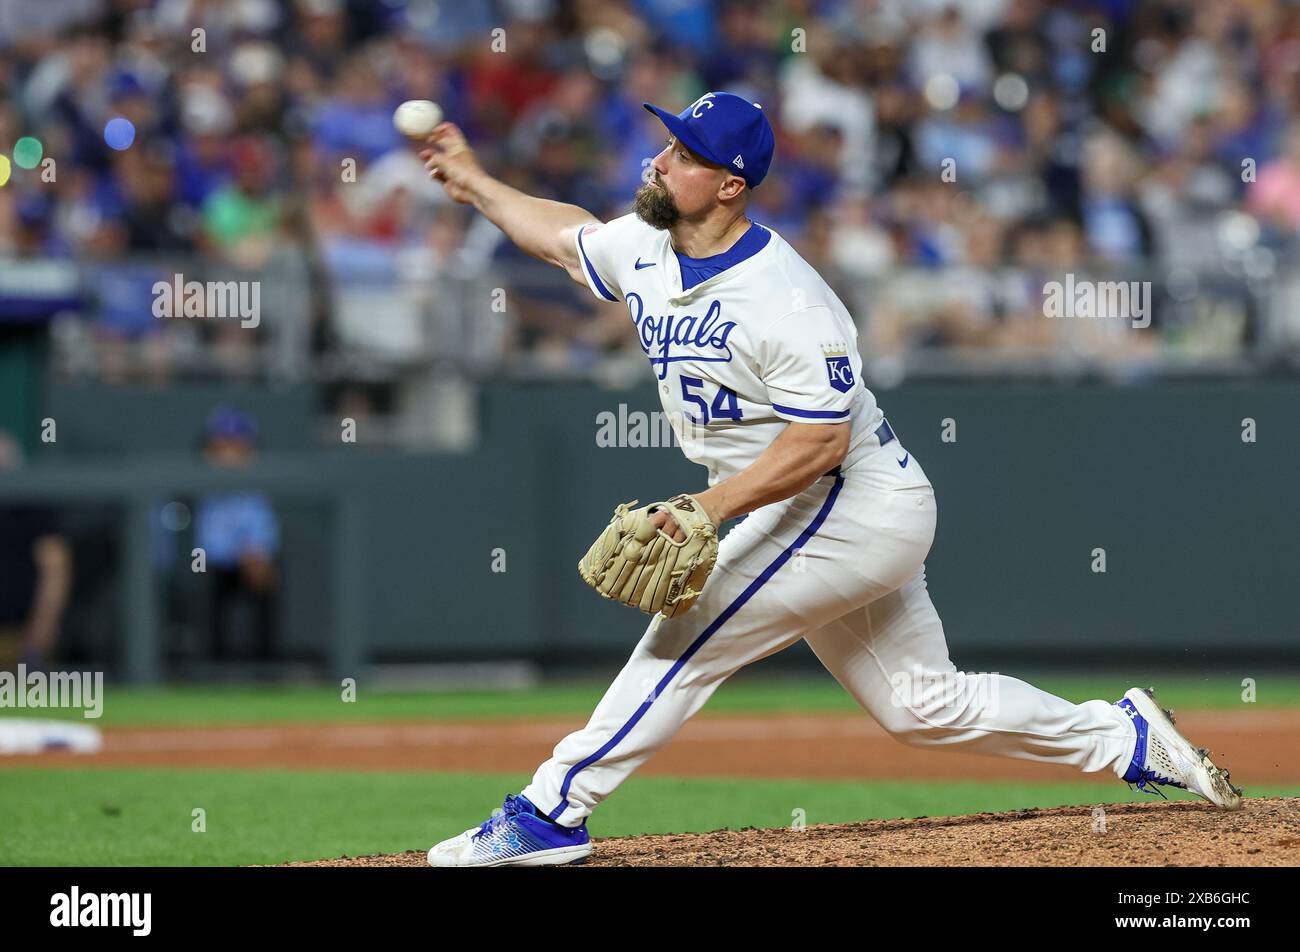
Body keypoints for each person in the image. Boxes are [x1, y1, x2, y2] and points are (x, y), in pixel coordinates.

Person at [420, 92, 1242, 867]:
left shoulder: (788, 299)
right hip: (817, 505)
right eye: (669, 142)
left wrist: (704, 508)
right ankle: (1124, 737)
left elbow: (820, 442)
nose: (662, 161)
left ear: (731, 185)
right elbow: (565, 237)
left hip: (851, 501)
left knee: (686, 637)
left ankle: (548, 813)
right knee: (921, 705)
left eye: (686, 154)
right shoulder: (644, 243)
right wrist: (476, 183)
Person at [194, 406, 280, 662]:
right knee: (205, 576)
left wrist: (253, 554)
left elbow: (265, 536)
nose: (230, 455)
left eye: (238, 447)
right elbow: (200, 541)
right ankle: (210, 665)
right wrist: (235, 552)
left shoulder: (255, 495)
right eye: (223, 446)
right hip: (207, 567)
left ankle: (265, 665)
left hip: (248, 567)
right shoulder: (196, 489)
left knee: (265, 574)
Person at [0, 432, 73, 672]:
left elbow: (55, 565)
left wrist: (45, 622)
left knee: (24, 699)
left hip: (17, 634)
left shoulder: (30, 507)